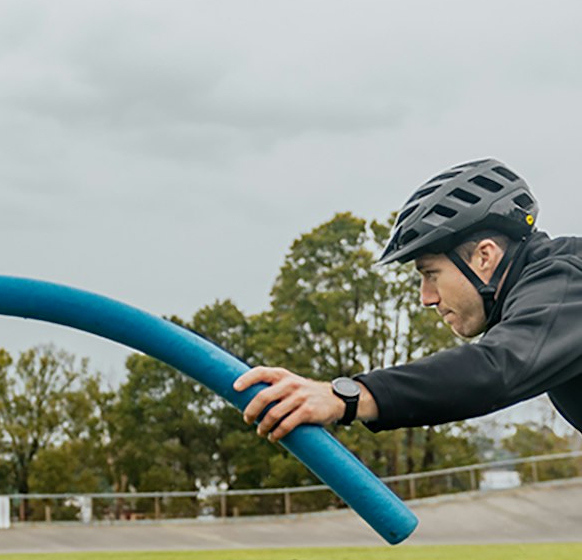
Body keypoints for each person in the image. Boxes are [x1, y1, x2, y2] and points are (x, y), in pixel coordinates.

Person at [233, 158, 582, 440]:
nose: (426, 298)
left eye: (430, 274)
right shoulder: (549, 294)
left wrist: (347, 397)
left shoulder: (564, 280)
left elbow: (497, 368)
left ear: (484, 257)